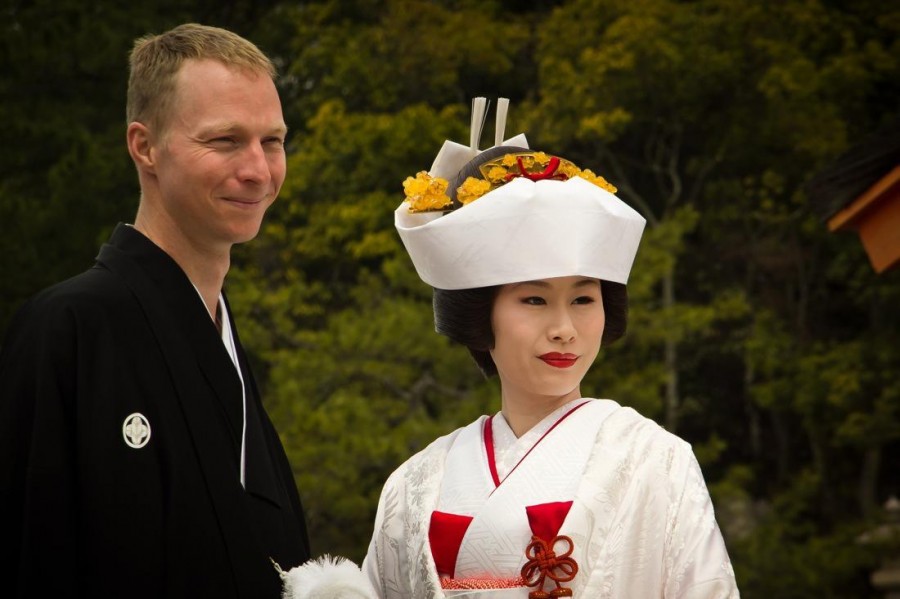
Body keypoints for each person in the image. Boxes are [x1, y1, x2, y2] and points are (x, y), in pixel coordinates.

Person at [358, 99, 740, 598]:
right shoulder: (416, 484)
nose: (564, 329)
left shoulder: (656, 461)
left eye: (584, 298)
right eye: (534, 299)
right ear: (480, 313)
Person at [0, 23, 310, 598]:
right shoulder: (67, 328)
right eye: (224, 141)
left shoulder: (223, 340)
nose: (259, 171)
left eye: (272, 141)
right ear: (144, 146)